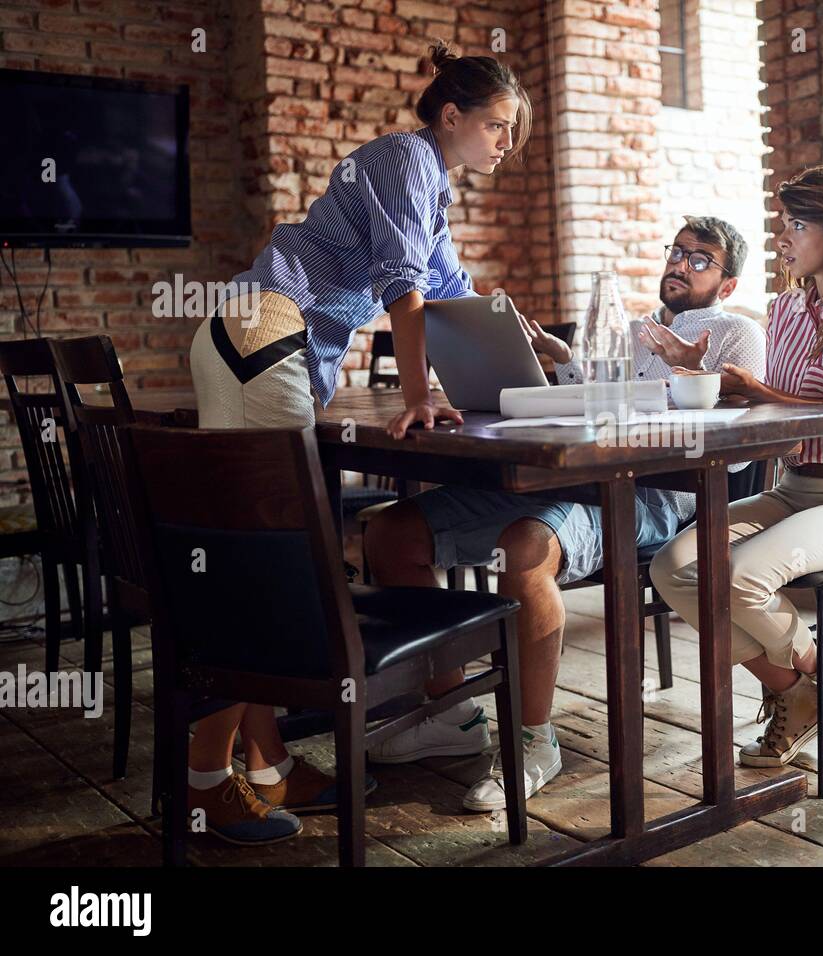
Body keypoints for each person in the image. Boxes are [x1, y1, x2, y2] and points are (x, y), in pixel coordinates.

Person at [182, 39, 531, 844]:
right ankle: (206, 779)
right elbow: (405, 292)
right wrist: (417, 397)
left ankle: (268, 765)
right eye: (498, 127)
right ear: (454, 117)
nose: (506, 146)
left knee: (271, 556)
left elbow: (449, 293)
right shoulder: (408, 158)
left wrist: (534, 340)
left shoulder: (427, 187)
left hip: (260, 337)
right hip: (263, 333)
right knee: (266, 564)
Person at [364, 216, 766, 812]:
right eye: (676, 252)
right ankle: (452, 715)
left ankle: (533, 740)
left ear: (728, 284)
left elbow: (726, 435)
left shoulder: (738, 332)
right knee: (392, 531)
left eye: (699, 259)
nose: (679, 265)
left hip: (654, 493)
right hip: (571, 476)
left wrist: (687, 367)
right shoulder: (631, 329)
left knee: (525, 548)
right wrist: (559, 363)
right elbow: (598, 407)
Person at [649, 165, 823, 768]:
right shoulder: (789, 308)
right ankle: (801, 687)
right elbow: (776, 401)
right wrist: (713, 377)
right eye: (783, 224)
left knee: (738, 576)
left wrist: (761, 393)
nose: (783, 238)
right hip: (795, 489)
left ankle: (810, 685)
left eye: (797, 224)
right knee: (672, 567)